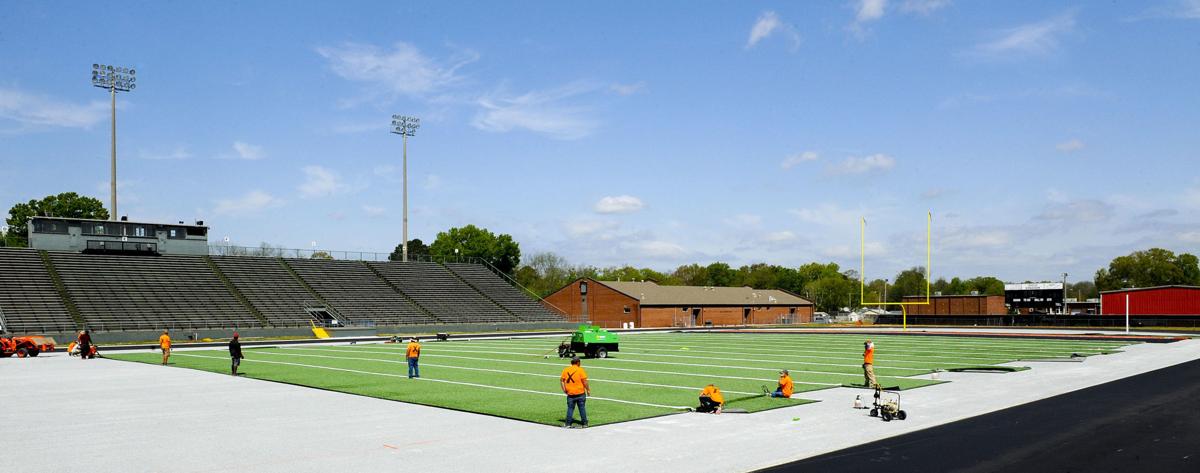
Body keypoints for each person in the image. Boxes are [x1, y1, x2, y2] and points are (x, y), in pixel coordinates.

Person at [560, 356, 590, 428]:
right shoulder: (580, 370)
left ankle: (568, 424)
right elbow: (585, 381)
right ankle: (585, 423)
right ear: (578, 362)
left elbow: (561, 380)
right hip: (580, 393)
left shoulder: (566, 370)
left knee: (570, 409)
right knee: (582, 408)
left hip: (570, 394)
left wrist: (564, 389)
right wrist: (588, 390)